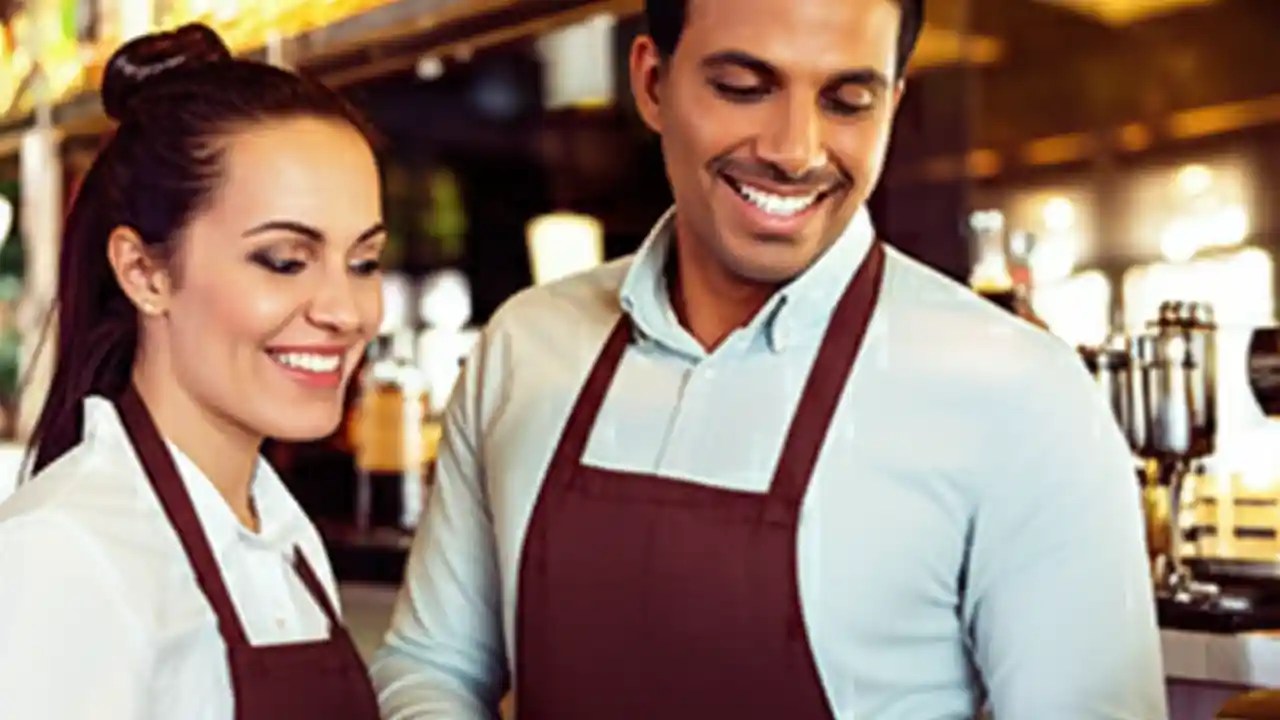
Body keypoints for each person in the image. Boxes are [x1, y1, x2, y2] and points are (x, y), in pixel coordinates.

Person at [372, 0, 1167, 717]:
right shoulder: (529, 345)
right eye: (744, 87)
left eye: (846, 101)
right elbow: (431, 662)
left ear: (892, 105)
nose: (795, 150)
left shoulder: (1018, 391)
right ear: (652, 82)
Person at [0, 24, 385, 719]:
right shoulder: (63, 555)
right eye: (285, 261)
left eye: (363, 263)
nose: (345, 310)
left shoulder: (282, 538)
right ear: (145, 273)